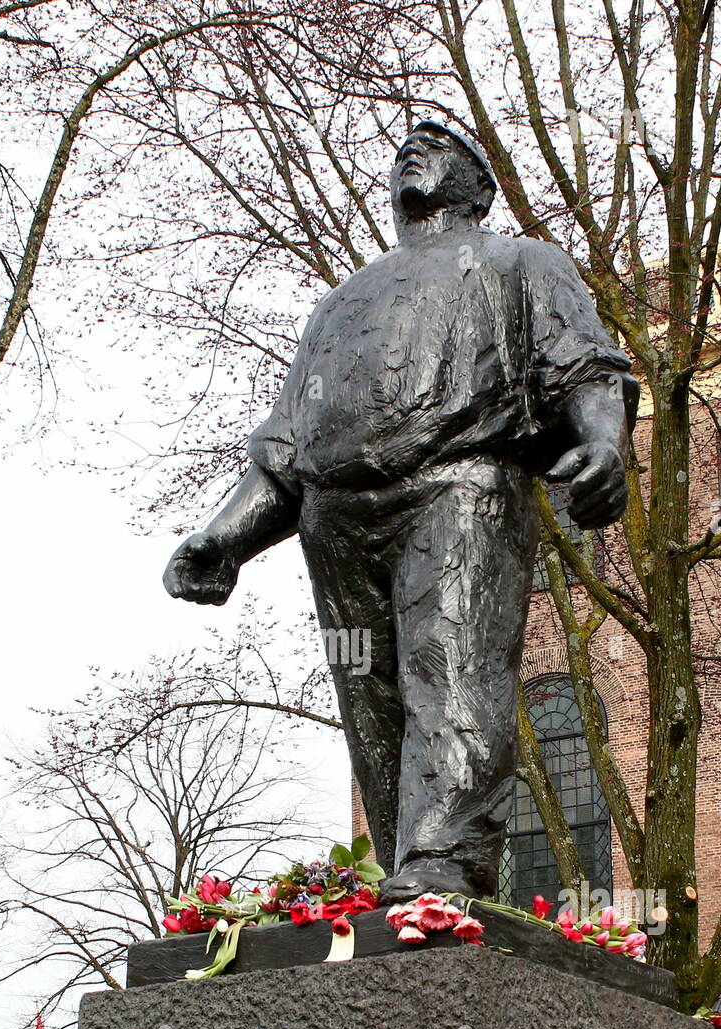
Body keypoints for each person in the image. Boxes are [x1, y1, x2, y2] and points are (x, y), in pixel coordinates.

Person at [164, 120, 638, 903]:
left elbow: (586, 367)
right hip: (336, 514)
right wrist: (225, 537)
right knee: (368, 698)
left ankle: (443, 864)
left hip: (458, 488)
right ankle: (404, 869)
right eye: (404, 148)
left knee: (450, 671)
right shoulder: (338, 304)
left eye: (443, 146)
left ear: (480, 188)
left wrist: (603, 443)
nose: (414, 150)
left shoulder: (521, 262)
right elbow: (284, 445)